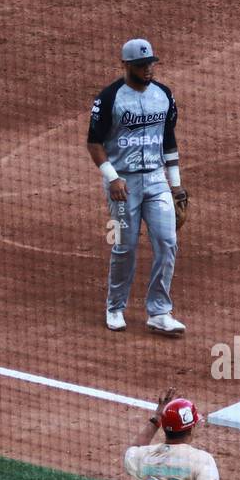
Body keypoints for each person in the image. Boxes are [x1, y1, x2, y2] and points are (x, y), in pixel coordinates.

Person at [86, 39, 188, 336]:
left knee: (167, 243)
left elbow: (168, 140)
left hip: (157, 180)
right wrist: (112, 178)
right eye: (142, 65)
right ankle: (115, 307)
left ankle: (160, 312)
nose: (148, 69)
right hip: (124, 182)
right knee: (125, 247)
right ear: (126, 65)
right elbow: (93, 143)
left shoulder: (164, 95)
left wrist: (176, 184)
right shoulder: (109, 98)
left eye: (150, 64)